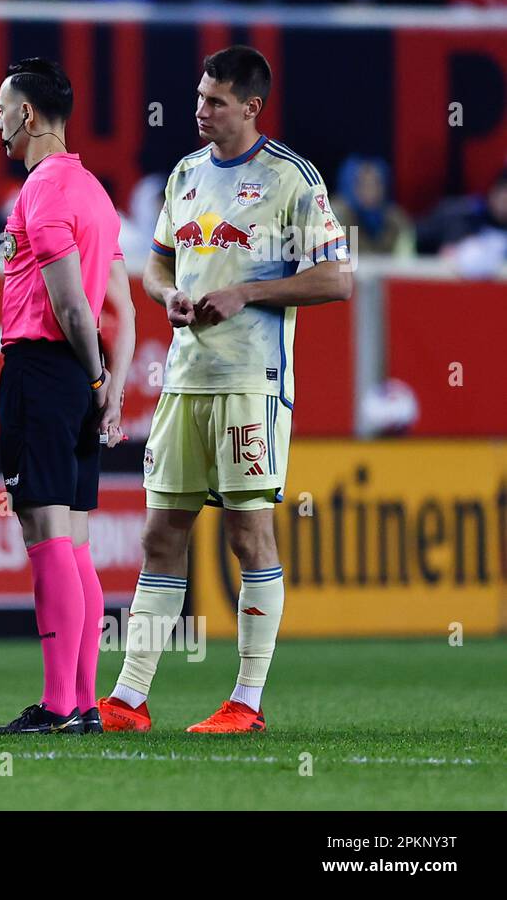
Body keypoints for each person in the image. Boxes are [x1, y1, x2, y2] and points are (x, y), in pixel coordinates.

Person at [99, 45, 352, 734]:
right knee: (161, 532)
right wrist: (169, 296)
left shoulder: (291, 179)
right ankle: (128, 699)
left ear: (250, 107)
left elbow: (337, 279)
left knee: (248, 534)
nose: (199, 111)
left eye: (214, 101)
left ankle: (245, 702)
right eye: (199, 97)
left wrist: (250, 292)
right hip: (185, 379)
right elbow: (152, 266)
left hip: (251, 382)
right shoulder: (183, 175)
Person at [0, 58, 125, 736]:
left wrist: (92, 378)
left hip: (44, 369)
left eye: (4, 107)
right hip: (79, 377)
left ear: (29, 115)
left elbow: (71, 305)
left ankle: (59, 704)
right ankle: (85, 703)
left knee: (44, 534)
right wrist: (111, 388)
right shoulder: (95, 192)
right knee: (76, 542)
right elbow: (118, 307)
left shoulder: (42, 192)